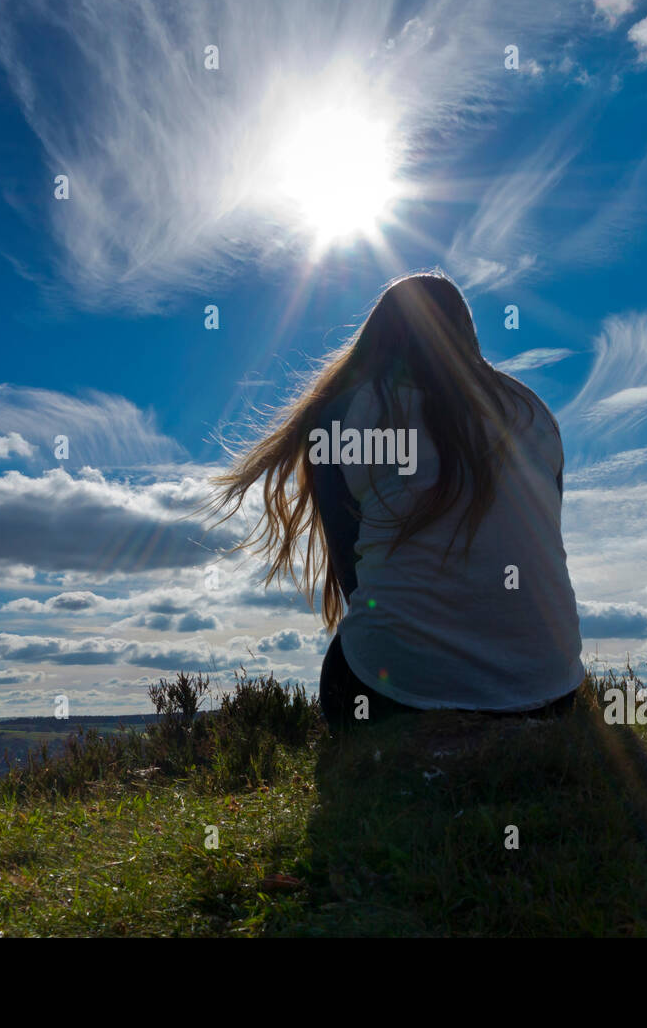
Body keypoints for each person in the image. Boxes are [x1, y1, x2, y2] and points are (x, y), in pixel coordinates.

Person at [208, 270, 583, 732]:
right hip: (551, 690)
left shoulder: (345, 415)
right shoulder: (532, 411)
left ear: (377, 339)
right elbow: (538, 538)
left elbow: (353, 577)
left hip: (394, 692)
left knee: (358, 657)